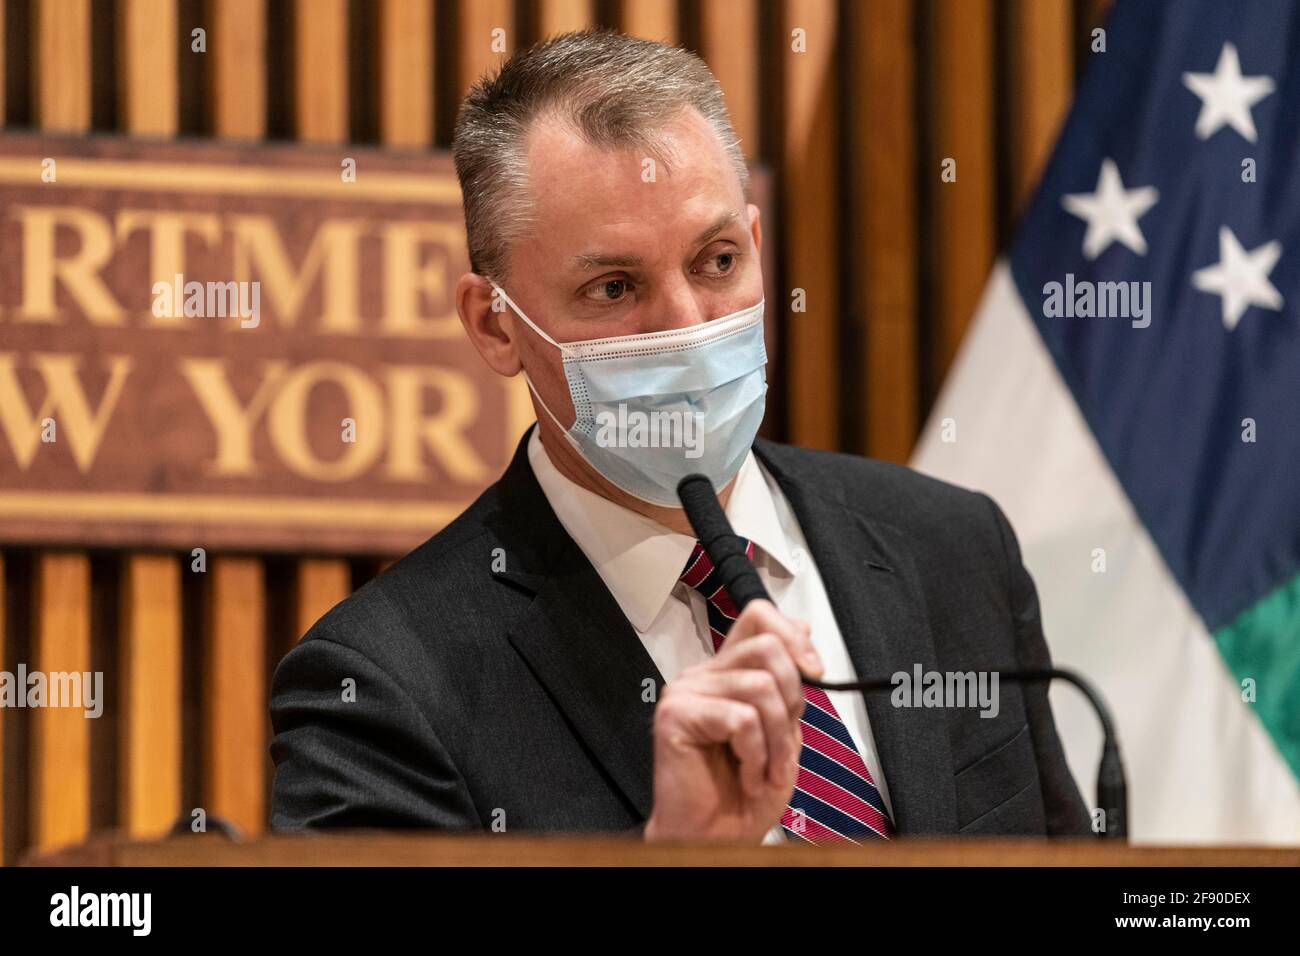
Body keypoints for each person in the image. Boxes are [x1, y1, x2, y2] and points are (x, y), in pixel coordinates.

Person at [269, 29, 1091, 845]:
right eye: (614, 286)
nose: (688, 326)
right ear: (495, 327)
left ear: (758, 246)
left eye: (717, 260)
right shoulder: (382, 689)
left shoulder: (953, 549)